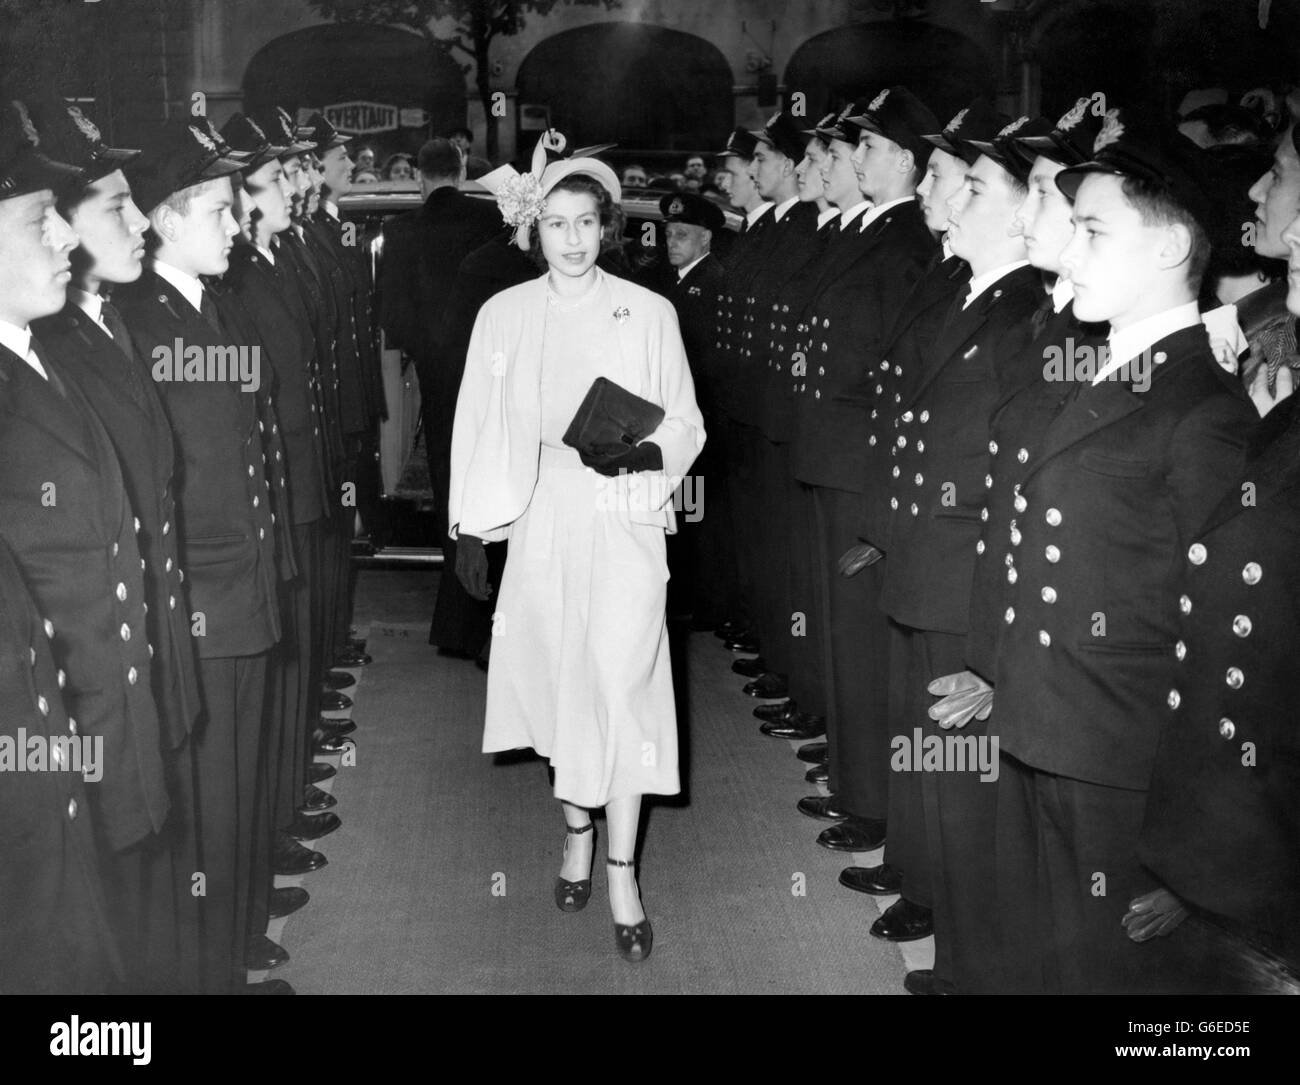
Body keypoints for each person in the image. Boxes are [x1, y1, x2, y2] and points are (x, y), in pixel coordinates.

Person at [987, 111, 1257, 994]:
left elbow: (1228, 644)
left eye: (1094, 233)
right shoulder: (1109, 365)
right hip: (1054, 724)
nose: (1069, 255)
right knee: (1059, 960)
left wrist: (1197, 841)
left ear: (1173, 245)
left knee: (1122, 989)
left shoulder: (1202, 408)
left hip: (1128, 760)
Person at [448, 137, 705, 962]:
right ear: (534, 231)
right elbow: (476, 424)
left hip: (623, 513)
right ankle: (575, 835)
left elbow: (687, 425)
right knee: (561, 680)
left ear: (607, 227)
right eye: (554, 223)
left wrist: (642, 460)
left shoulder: (650, 311)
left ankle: (624, 870)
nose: (570, 239)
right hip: (541, 516)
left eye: (586, 222)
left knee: (622, 682)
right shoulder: (504, 315)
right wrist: (472, 528)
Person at [378, 137, 502, 659]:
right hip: (497, 377)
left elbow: (393, 316)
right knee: (498, 487)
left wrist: (427, 353)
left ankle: (457, 624)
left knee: (453, 494)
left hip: (441, 383)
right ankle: (498, 621)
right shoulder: (494, 220)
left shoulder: (399, 231)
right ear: (461, 171)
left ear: (421, 178)